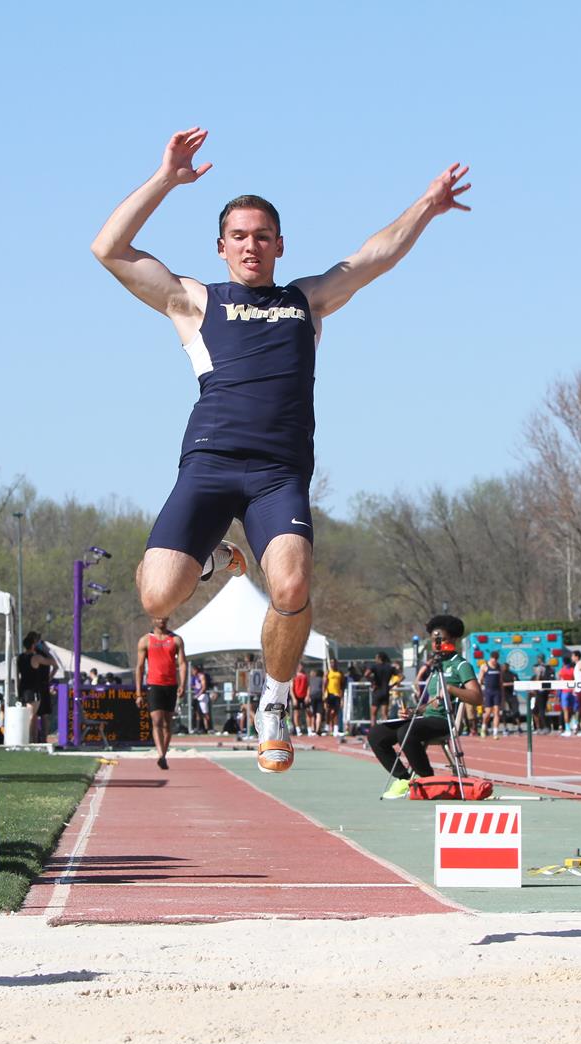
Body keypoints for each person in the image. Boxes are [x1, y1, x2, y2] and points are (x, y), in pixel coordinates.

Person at [92, 127, 471, 774]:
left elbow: (372, 257)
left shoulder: (306, 300)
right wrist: (166, 178)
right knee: (158, 596)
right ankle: (218, 556)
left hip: (277, 475)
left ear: (279, 245)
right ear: (221, 246)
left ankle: (273, 701)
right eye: (239, 235)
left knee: (292, 584)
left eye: (262, 236)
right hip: (209, 465)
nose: (251, 245)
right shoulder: (194, 301)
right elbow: (109, 248)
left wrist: (426, 206)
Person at [371, 615, 481, 798]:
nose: (437, 644)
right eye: (434, 640)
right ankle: (403, 779)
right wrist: (414, 711)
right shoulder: (436, 667)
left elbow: (477, 698)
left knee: (406, 731)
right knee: (377, 734)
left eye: (442, 640)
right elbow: (432, 703)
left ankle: (426, 779)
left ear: (453, 639)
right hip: (426, 718)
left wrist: (451, 688)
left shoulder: (460, 665)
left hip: (445, 720)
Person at [134, 618, 188, 770]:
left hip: (171, 685)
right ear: (152, 620)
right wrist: (138, 692)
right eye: (158, 617)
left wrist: (183, 684)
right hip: (154, 685)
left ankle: (163, 752)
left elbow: (183, 663)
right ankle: (161, 755)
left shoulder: (176, 640)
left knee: (167, 723)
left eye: (164, 617)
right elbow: (139, 667)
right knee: (156, 720)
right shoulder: (145, 641)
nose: (161, 620)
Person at [16, 632, 58, 739]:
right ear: (33, 644)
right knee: (32, 716)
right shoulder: (36, 657)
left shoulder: (20, 657)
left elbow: (18, 676)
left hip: (26, 687)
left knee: (35, 715)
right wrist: (46, 651)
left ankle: (36, 738)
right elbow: (54, 663)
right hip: (34, 688)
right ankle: (32, 738)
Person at [368, 652, 395, 729]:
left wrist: (372, 682)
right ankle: (386, 731)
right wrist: (393, 685)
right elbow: (402, 676)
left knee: (373, 714)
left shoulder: (375, 666)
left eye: (376, 658)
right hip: (385, 691)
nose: (375, 659)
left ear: (379, 658)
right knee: (384, 714)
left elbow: (366, 674)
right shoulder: (389, 667)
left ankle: (372, 732)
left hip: (377, 691)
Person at [479, 652, 503, 737]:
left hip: (497, 692)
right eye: (493, 659)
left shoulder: (499, 667)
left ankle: (495, 732)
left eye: (496, 659)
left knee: (497, 712)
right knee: (488, 713)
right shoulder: (484, 666)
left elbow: (500, 681)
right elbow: (480, 679)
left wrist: (502, 693)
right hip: (488, 692)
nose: (494, 661)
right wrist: (482, 689)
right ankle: (483, 726)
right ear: (490, 658)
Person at [191, 664, 212, 732]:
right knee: (197, 713)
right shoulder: (195, 677)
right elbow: (194, 686)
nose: (192, 672)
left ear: (196, 670)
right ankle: (198, 728)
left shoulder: (202, 676)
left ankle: (208, 728)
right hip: (197, 696)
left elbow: (204, 687)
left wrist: (198, 694)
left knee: (205, 713)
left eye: (193, 670)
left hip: (202, 696)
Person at [290, 667, 310, 735]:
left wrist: (307, 696)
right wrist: (294, 698)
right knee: (296, 714)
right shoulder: (294, 676)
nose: (300, 667)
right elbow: (291, 688)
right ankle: (298, 730)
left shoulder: (305, 676)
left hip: (304, 697)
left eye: (301, 666)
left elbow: (308, 687)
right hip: (297, 697)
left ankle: (309, 730)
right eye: (299, 666)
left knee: (308, 712)